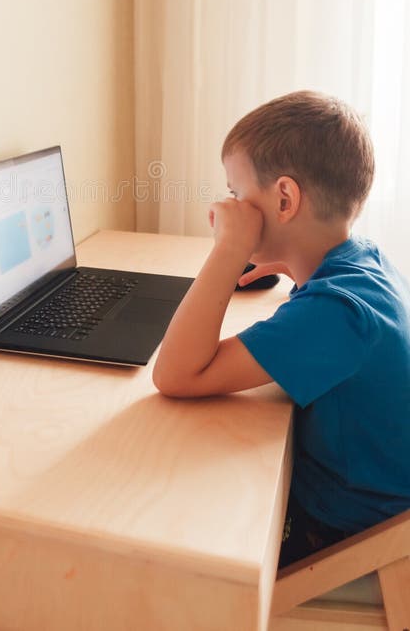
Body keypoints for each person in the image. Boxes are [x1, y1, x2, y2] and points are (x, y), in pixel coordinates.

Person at [152, 90, 410, 567]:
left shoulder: (335, 313)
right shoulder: (360, 261)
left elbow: (175, 375)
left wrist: (227, 253)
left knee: (171, 522)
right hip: (372, 498)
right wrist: (286, 267)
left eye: (235, 193)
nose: (227, 205)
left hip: (346, 528)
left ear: (285, 198)